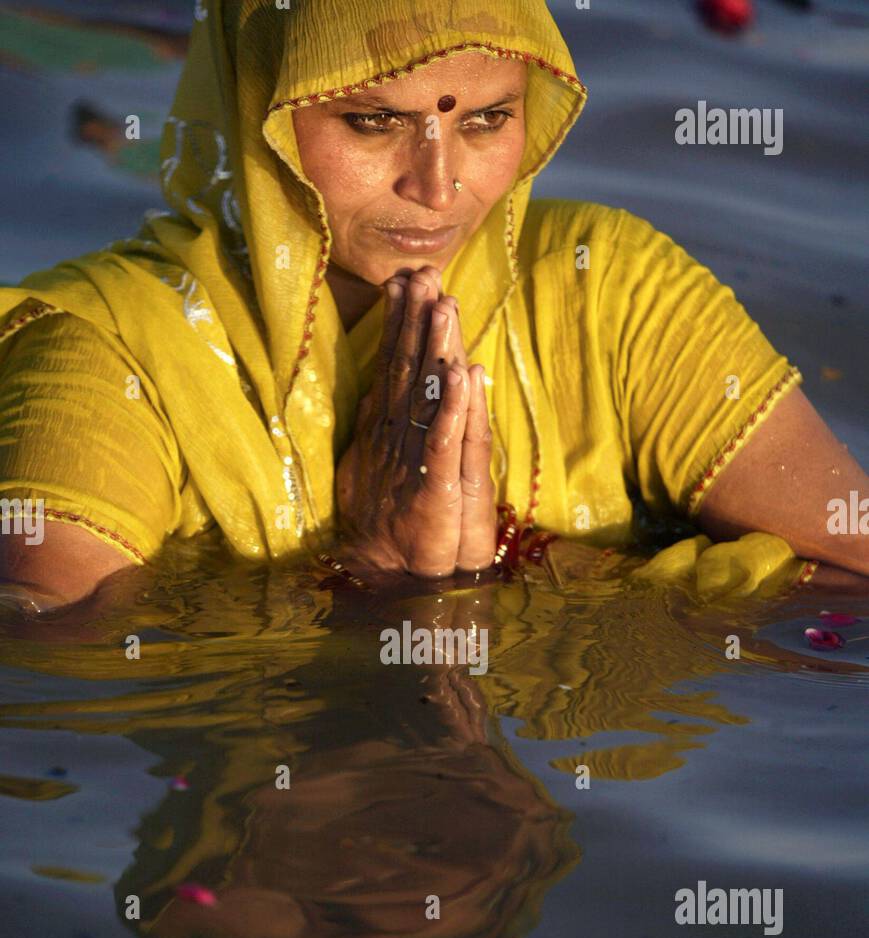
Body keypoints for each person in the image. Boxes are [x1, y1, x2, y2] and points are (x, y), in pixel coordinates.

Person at [0, 0, 866, 611]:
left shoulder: (604, 289)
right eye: (373, 121)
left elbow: (853, 574)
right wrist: (372, 578)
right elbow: (49, 672)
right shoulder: (112, 353)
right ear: (252, 102)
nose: (440, 183)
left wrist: (514, 569)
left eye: (487, 119)